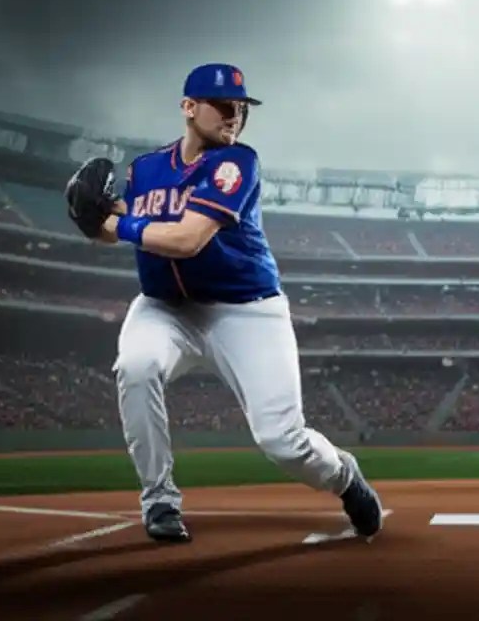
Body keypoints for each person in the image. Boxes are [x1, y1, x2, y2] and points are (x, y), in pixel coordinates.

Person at [63, 63, 383, 543]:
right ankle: (160, 500)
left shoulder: (237, 163)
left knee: (283, 442)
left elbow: (186, 239)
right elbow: (123, 231)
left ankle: (344, 477)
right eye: (222, 105)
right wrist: (98, 221)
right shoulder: (145, 170)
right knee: (136, 365)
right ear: (189, 108)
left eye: (241, 107)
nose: (235, 114)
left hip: (246, 311)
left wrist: (110, 222)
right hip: (165, 307)